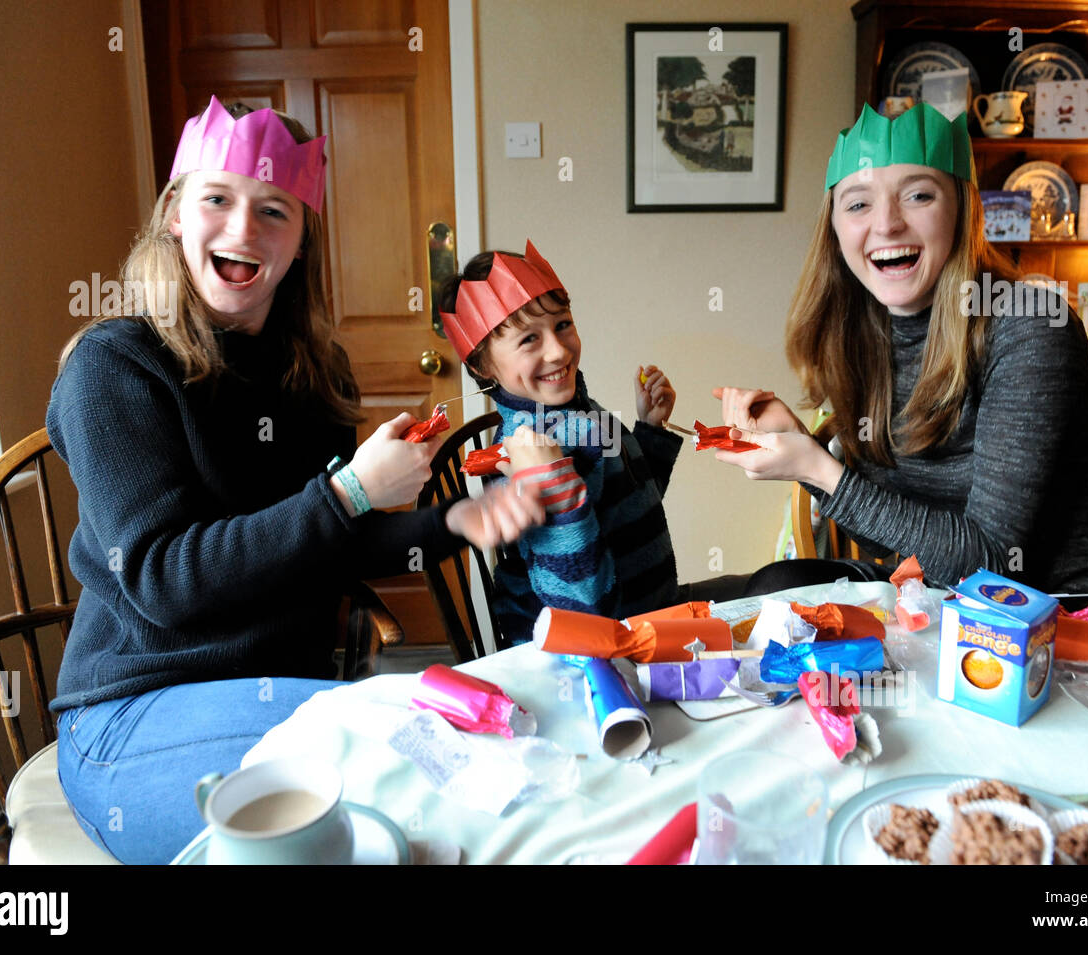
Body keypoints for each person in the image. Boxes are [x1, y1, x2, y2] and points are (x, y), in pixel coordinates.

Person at [46, 97, 543, 864]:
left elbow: (320, 546)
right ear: (176, 213)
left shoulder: (311, 375)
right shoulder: (114, 367)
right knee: (400, 768)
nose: (244, 228)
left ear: (302, 238)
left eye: (274, 209)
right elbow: (163, 579)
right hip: (135, 717)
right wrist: (347, 491)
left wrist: (455, 522)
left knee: (479, 762)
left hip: (290, 700)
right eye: (218, 199)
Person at [713, 103, 1088, 595]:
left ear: (961, 210)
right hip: (933, 596)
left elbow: (992, 568)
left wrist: (817, 468)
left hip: (1051, 610)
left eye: (918, 196)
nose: (886, 225)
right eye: (859, 203)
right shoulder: (861, 334)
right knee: (778, 585)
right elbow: (891, 540)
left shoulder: (1030, 327)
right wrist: (802, 447)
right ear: (836, 228)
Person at [438, 241, 682, 643]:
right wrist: (552, 482)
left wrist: (650, 432)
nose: (557, 350)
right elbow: (579, 608)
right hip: (579, 660)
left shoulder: (583, 415)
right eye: (528, 340)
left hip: (647, 622)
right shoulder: (525, 454)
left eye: (562, 324)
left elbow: (631, 507)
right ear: (484, 367)